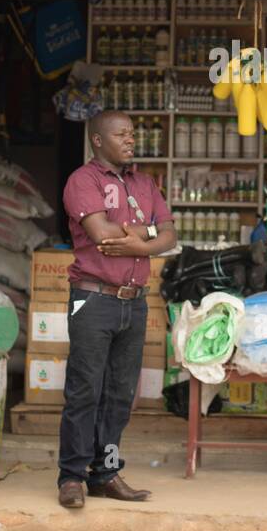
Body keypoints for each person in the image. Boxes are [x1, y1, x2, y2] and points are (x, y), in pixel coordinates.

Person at [58, 110, 176, 508]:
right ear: (98, 140)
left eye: (132, 133)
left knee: (120, 395)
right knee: (85, 390)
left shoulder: (145, 183)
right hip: (92, 298)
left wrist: (141, 243)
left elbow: (170, 234)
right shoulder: (83, 180)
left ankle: (105, 473)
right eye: (121, 134)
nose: (130, 140)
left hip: (134, 302)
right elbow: (101, 235)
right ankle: (72, 477)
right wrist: (149, 235)